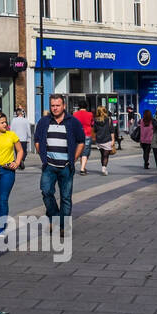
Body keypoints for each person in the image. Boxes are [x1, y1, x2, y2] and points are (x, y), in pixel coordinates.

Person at [34, 94, 85, 228]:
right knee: (46, 192)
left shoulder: (73, 122)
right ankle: (55, 217)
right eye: (52, 106)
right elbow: (37, 141)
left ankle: (62, 226)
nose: (55, 108)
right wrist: (43, 157)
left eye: (58, 105)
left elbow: (81, 142)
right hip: (49, 166)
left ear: (64, 106)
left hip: (66, 166)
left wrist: (73, 159)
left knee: (66, 197)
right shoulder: (44, 121)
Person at [92, 107, 115, 175]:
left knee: (102, 155)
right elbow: (112, 130)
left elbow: (95, 130)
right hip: (107, 139)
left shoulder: (95, 120)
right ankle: (104, 168)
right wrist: (113, 140)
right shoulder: (109, 119)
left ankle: (103, 167)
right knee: (106, 156)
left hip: (99, 140)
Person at [73, 105, 94, 174]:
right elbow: (92, 123)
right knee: (85, 152)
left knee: (77, 151)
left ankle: (73, 166)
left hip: (77, 134)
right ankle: (82, 168)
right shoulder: (90, 114)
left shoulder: (75, 114)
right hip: (87, 133)